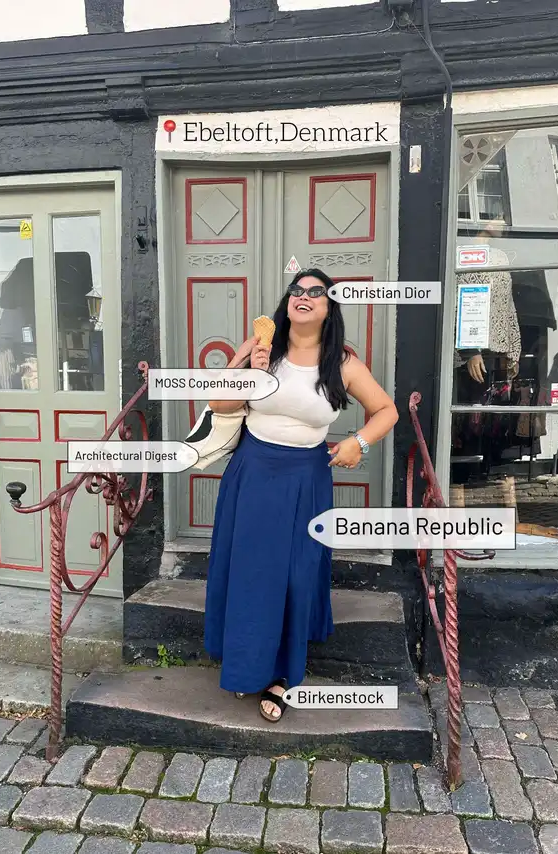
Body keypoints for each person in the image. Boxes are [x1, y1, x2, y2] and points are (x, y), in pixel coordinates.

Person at [204, 268, 398, 722]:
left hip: (306, 479)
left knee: (294, 575)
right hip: (252, 473)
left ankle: (283, 675)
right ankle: (247, 664)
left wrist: (359, 442)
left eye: (316, 292)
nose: (303, 296)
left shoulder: (343, 363)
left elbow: (386, 410)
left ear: (329, 308)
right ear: (287, 302)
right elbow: (218, 404)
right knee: (251, 571)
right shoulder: (261, 349)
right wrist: (248, 371)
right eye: (297, 289)